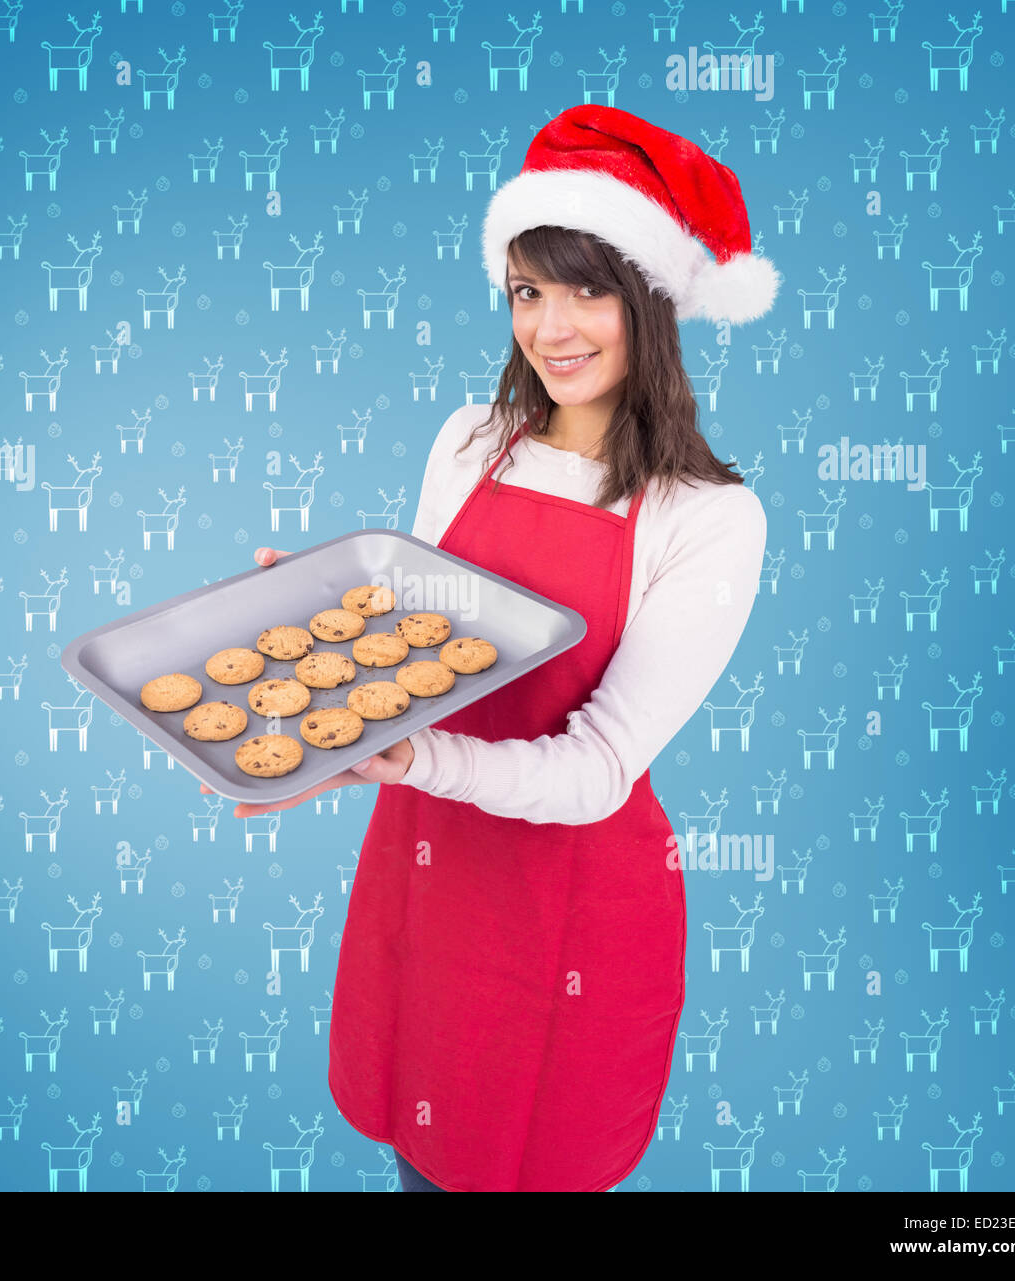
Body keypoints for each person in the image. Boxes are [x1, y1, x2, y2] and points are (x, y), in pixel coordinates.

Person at [208, 105, 778, 1191]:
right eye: (526, 290)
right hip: (427, 865)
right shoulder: (470, 439)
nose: (550, 327)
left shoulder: (708, 517)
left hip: (571, 898)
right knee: (420, 1151)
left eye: (588, 288)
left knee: (520, 1156)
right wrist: (317, 628)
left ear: (652, 298)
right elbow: (428, 645)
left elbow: (601, 768)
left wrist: (415, 761)